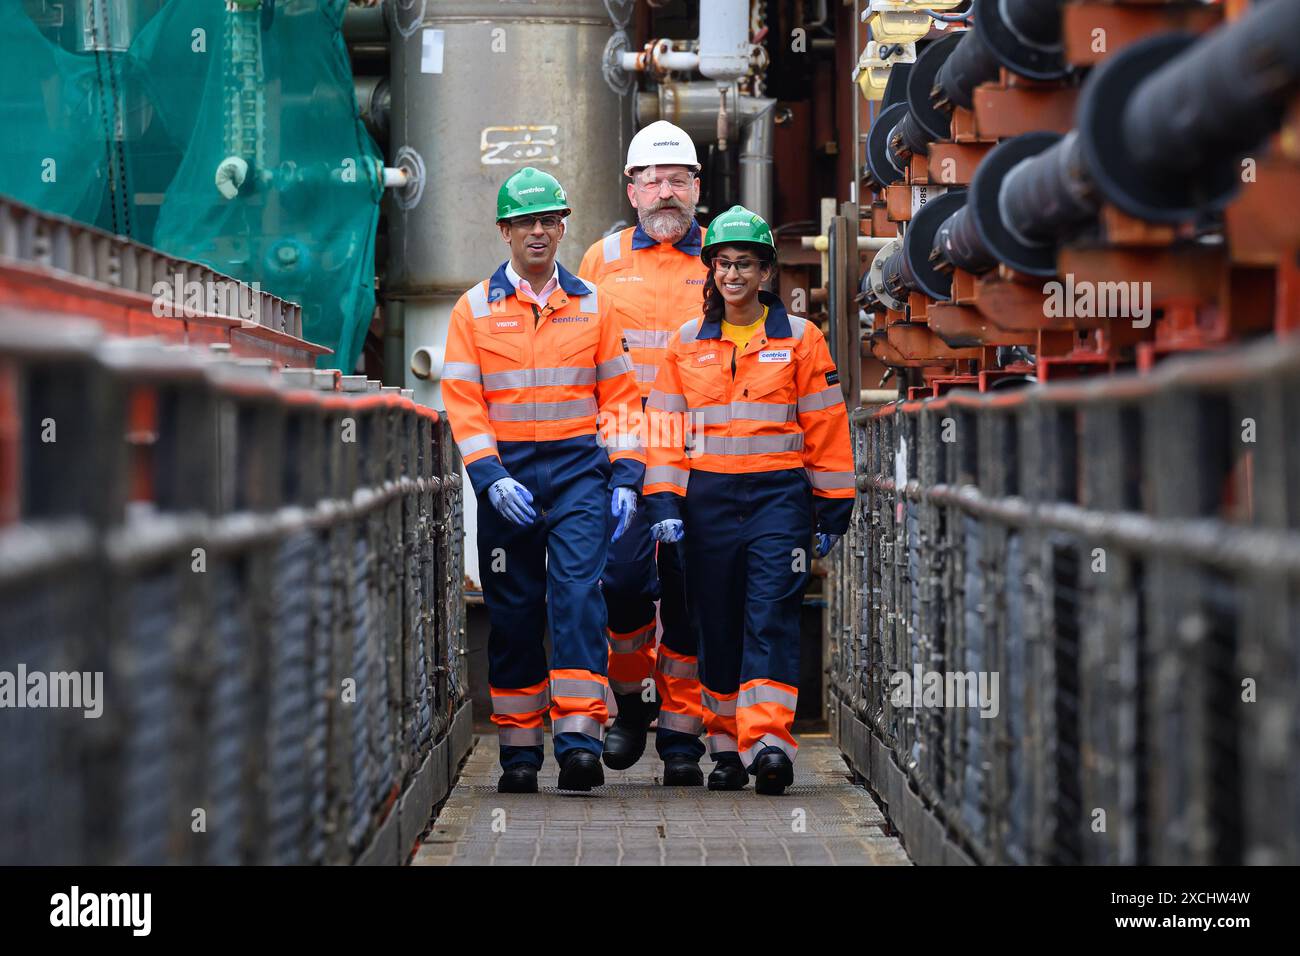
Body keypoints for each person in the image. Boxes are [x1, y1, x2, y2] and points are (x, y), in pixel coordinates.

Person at [442, 167, 644, 794]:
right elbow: (464, 401)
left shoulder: (593, 306)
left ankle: (580, 740)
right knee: (513, 609)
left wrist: (626, 476)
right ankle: (520, 752)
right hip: (508, 482)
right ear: (504, 231)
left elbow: (621, 397)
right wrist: (489, 475)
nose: (537, 231)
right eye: (524, 221)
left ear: (562, 229)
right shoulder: (473, 310)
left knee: (580, 597)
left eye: (548, 220)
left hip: (579, 472)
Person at [642, 205, 855, 795]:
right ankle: (725, 744)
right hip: (705, 500)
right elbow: (663, 430)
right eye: (723, 263)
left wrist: (834, 504)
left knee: (771, 615)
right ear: (711, 271)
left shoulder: (801, 340)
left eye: (746, 264)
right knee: (717, 621)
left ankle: (767, 744)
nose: (732, 274)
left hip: (777, 499)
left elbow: (826, 426)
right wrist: (662, 504)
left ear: (766, 272)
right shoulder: (686, 344)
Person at [577, 121, 709, 784]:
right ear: (630, 190)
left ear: (696, 189)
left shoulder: (723, 259)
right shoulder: (601, 262)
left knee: (688, 595)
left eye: (678, 180)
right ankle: (630, 705)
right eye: (652, 180)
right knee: (624, 586)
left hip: (698, 456)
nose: (665, 192)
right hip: (624, 457)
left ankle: (682, 736)